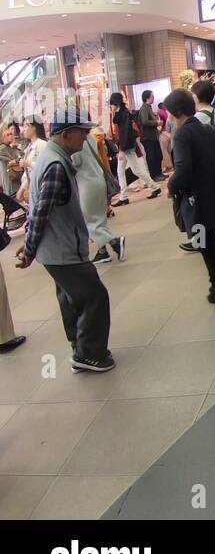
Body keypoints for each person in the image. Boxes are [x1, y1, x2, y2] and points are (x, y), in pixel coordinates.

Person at [15, 111, 115, 373]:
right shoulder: (56, 166)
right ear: (65, 134)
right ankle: (89, 354)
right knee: (94, 297)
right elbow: (40, 212)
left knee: (71, 299)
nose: (86, 136)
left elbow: (39, 208)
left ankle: (79, 347)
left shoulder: (53, 158)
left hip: (56, 249)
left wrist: (30, 244)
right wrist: (28, 249)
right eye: (81, 132)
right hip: (63, 250)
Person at [164, 88, 215, 312]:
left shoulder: (181, 134)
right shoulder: (209, 130)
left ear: (177, 112)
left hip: (196, 204)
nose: (169, 118)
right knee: (207, 247)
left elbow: (183, 170)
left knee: (207, 250)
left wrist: (170, 187)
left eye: (170, 113)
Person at [75, 130, 126, 265]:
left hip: (86, 184)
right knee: (99, 219)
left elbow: (75, 161)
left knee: (88, 221)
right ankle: (102, 252)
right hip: (98, 180)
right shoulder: (90, 136)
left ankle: (115, 241)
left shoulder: (76, 141)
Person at [109, 92, 161, 206]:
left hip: (126, 147)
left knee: (135, 170)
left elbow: (125, 133)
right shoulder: (123, 113)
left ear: (115, 103)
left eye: (111, 104)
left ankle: (154, 187)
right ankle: (124, 196)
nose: (110, 106)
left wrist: (121, 149)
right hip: (126, 146)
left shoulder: (123, 114)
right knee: (121, 171)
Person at [14, 120, 47, 204]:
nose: (23, 129)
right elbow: (28, 172)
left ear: (34, 128)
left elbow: (46, 167)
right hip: (31, 188)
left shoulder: (42, 144)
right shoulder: (29, 146)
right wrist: (22, 188)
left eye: (26, 126)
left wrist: (28, 164)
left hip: (41, 188)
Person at [138, 90, 164, 182]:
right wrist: (156, 122)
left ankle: (159, 173)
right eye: (152, 96)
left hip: (153, 136)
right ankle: (154, 176)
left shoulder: (148, 107)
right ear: (147, 97)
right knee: (152, 156)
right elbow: (144, 121)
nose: (153, 98)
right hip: (147, 137)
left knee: (158, 155)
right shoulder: (144, 108)